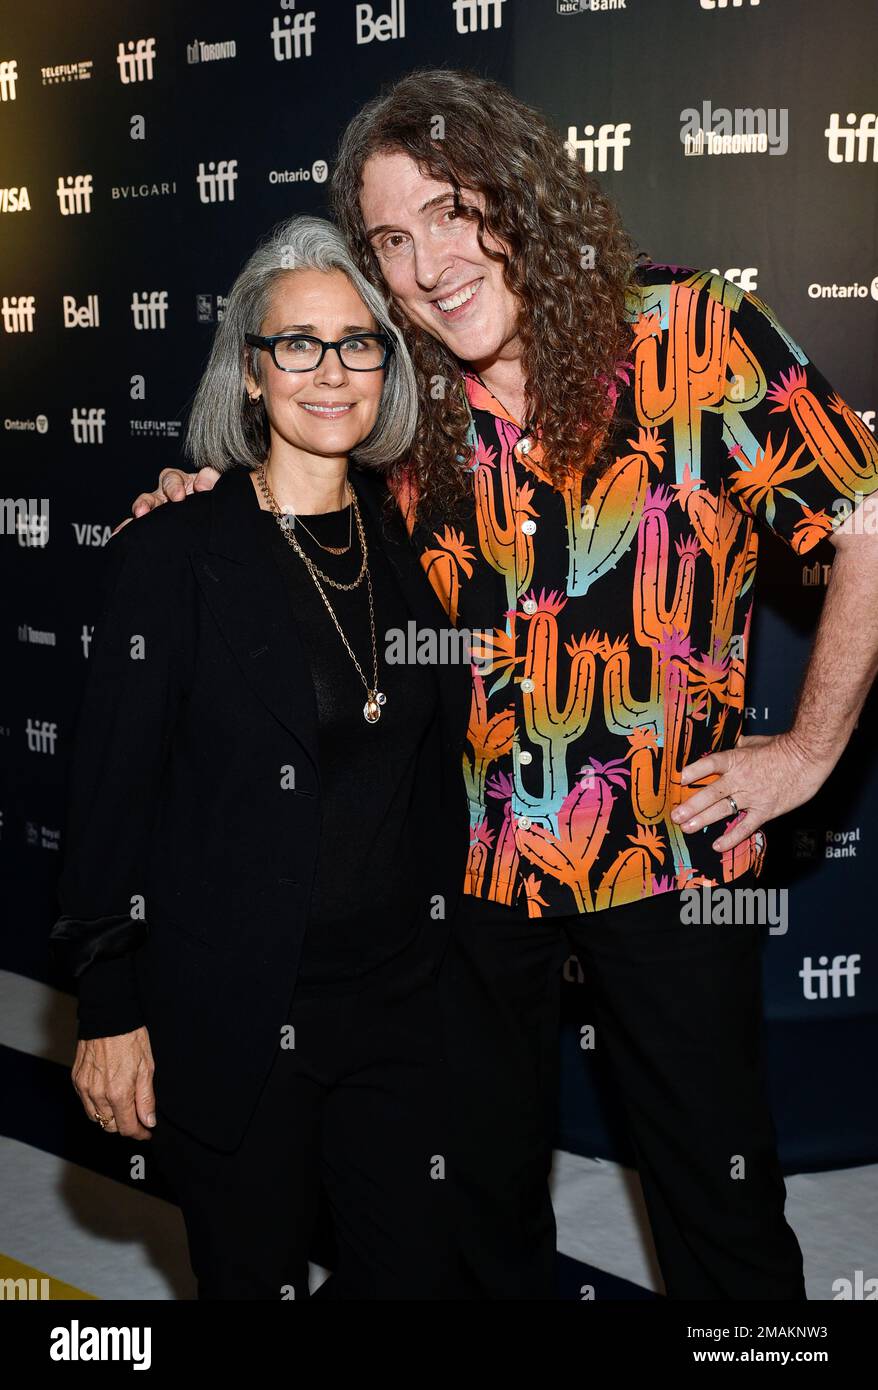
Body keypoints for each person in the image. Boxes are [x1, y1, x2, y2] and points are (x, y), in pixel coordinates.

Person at [125, 69, 878, 1299]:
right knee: (475, 1209)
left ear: (521, 195)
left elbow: (862, 513)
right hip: (467, 878)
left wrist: (806, 749)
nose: (425, 263)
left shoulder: (691, 334)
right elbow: (294, 507)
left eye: (451, 207)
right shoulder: (404, 412)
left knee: (721, 1205)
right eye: (390, 240)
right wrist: (195, 505)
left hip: (668, 856)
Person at [49, 214, 471, 1300]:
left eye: (356, 342)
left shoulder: (409, 543)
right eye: (297, 345)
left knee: (412, 1273)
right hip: (236, 1014)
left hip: (397, 1010)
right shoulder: (173, 554)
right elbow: (110, 797)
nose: (329, 372)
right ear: (249, 373)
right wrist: (107, 1004)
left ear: (386, 364)